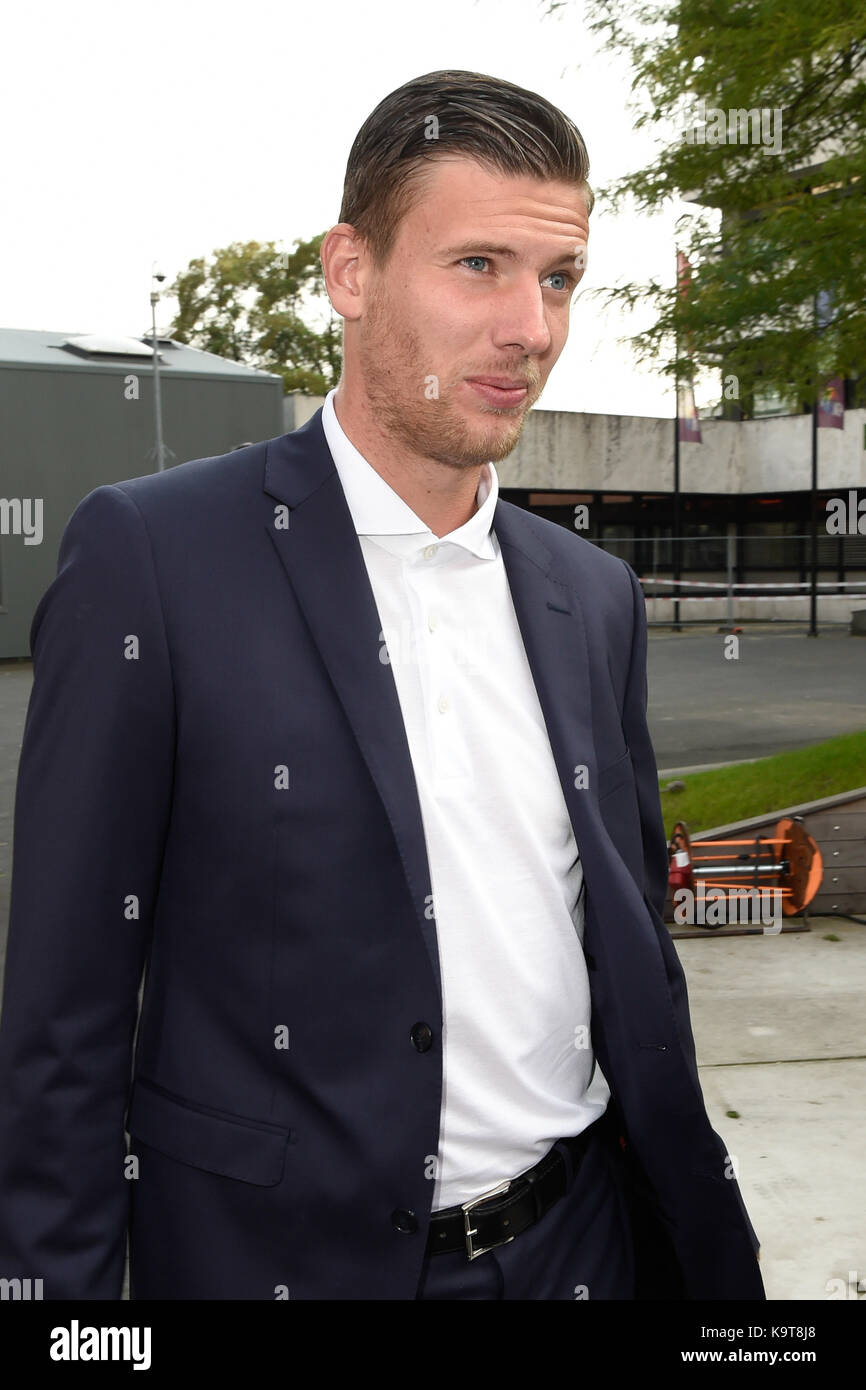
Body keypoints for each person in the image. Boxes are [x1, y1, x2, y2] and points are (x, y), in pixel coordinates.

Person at [0, 69, 764, 1300]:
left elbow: (627, 949)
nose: (532, 325)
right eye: (478, 266)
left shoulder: (591, 596)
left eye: (557, 276)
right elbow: (62, 1013)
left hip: (580, 1249)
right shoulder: (153, 559)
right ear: (349, 272)